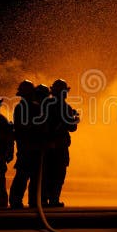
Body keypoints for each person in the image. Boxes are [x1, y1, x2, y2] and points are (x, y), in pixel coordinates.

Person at [41, 79, 79, 208]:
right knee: (57, 175)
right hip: (59, 147)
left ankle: (43, 199)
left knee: (46, 174)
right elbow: (71, 127)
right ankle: (53, 199)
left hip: (47, 146)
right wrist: (75, 120)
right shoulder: (64, 107)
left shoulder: (45, 104)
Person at [8, 80, 44, 209]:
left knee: (31, 176)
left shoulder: (29, 107)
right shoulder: (26, 107)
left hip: (29, 146)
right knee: (25, 175)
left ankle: (24, 201)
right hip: (28, 146)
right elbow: (24, 127)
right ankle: (19, 200)